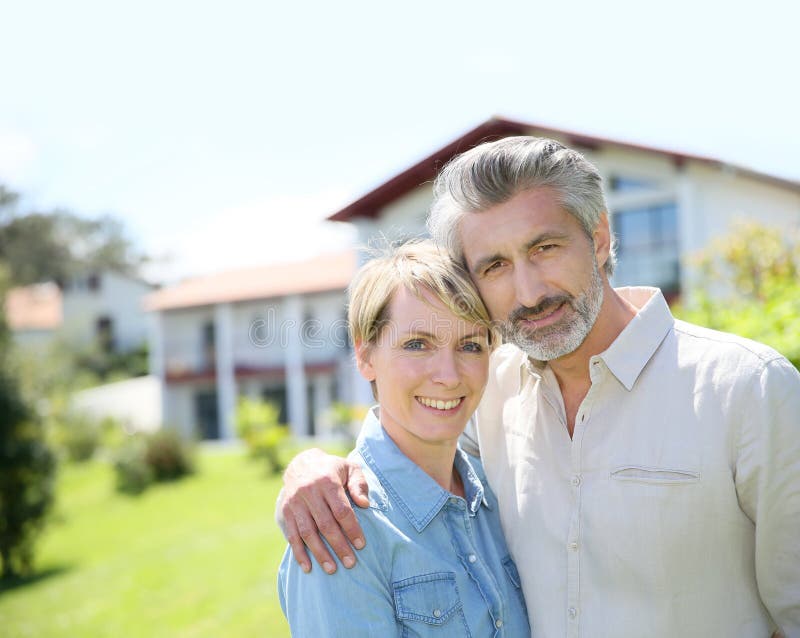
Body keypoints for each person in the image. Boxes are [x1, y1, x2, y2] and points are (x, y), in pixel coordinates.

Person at [279, 137, 800, 637]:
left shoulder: (748, 389)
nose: (528, 292)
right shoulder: (486, 393)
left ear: (598, 238)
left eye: (545, 247)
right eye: (495, 266)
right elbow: (406, 469)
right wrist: (312, 468)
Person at [278, 240, 530, 636]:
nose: (448, 375)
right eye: (417, 344)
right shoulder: (338, 526)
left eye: (470, 345)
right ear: (365, 356)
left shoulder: (496, 491)